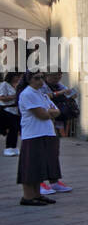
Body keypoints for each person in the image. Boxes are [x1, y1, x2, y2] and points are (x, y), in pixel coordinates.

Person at [17, 72, 62, 207]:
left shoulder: (41, 94)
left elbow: (57, 111)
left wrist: (49, 112)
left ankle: (37, 194)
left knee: (41, 166)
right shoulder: (27, 94)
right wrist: (49, 112)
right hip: (33, 134)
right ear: (29, 80)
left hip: (46, 132)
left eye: (42, 77)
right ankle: (28, 196)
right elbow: (42, 115)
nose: (40, 80)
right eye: (36, 78)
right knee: (30, 166)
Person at [0, 72, 20, 156]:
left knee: (15, 130)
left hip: (16, 110)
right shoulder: (4, 84)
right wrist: (15, 96)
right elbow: (2, 97)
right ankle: (8, 147)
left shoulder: (17, 85)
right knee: (12, 128)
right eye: (17, 76)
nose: (18, 78)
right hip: (7, 109)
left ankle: (14, 147)